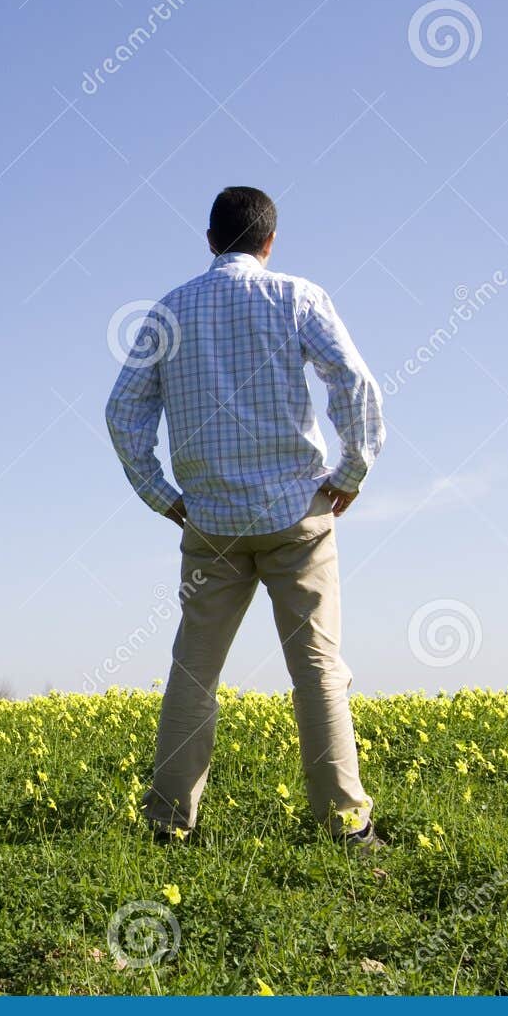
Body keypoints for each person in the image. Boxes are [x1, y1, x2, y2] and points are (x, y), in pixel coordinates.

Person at [104, 186, 386, 850]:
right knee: (318, 669)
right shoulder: (297, 296)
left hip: (210, 521)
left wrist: (162, 494)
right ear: (269, 241)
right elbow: (354, 382)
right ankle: (347, 826)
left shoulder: (169, 310)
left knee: (193, 671)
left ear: (209, 240)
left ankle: (169, 824)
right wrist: (351, 471)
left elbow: (123, 411)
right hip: (299, 516)